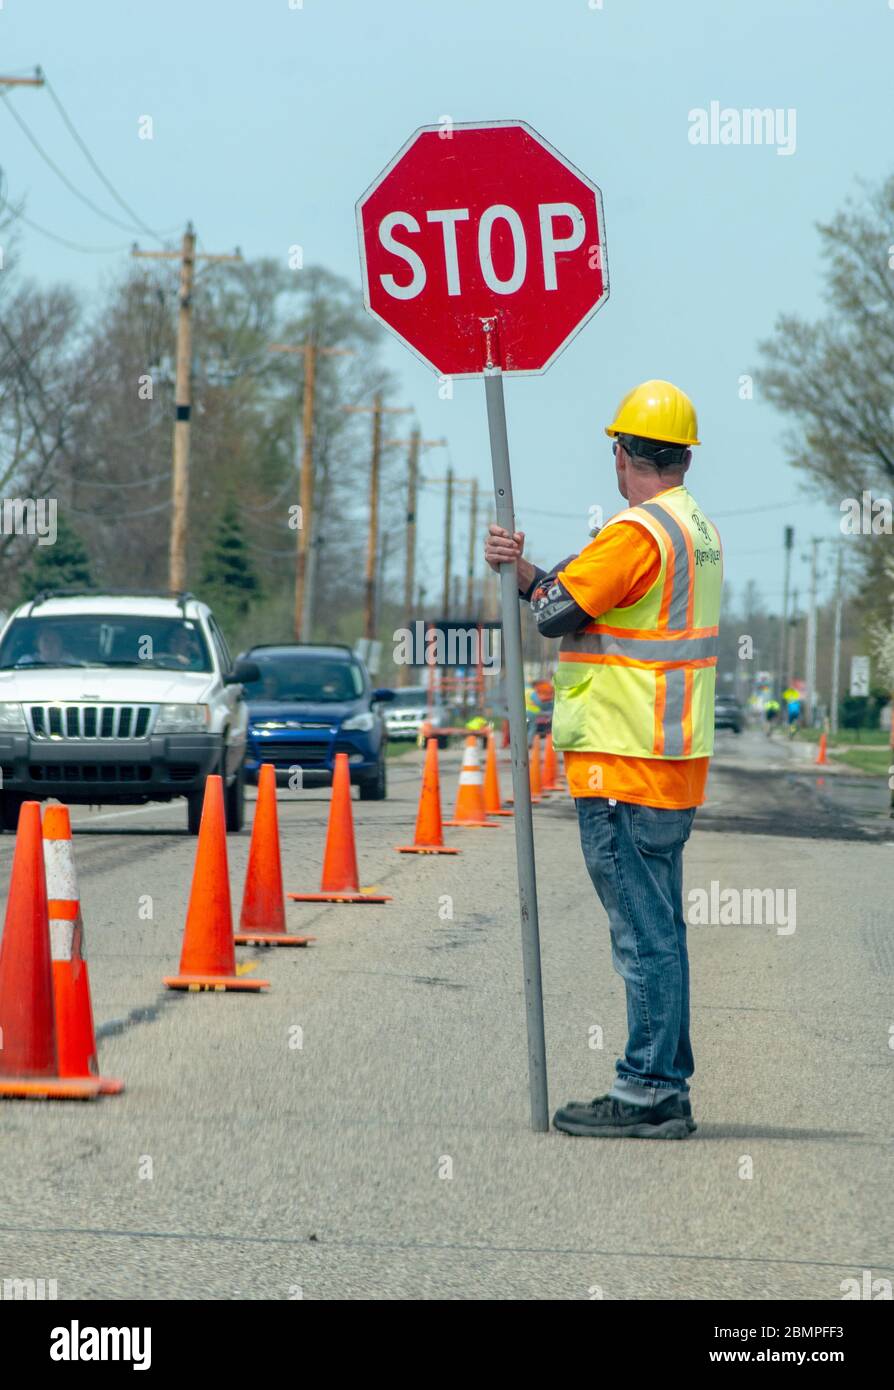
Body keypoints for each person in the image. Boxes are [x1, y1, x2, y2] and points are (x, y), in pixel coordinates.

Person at [485, 380, 722, 1140]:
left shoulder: (637, 531)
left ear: (623, 455)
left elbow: (560, 613)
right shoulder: (696, 529)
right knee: (662, 933)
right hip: (668, 763)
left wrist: (531, 583)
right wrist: (527, 576)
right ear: (683, 454)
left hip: (625, 766)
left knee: (642, 937)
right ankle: (664, 1084)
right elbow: (573, 600)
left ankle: (649, 1088)